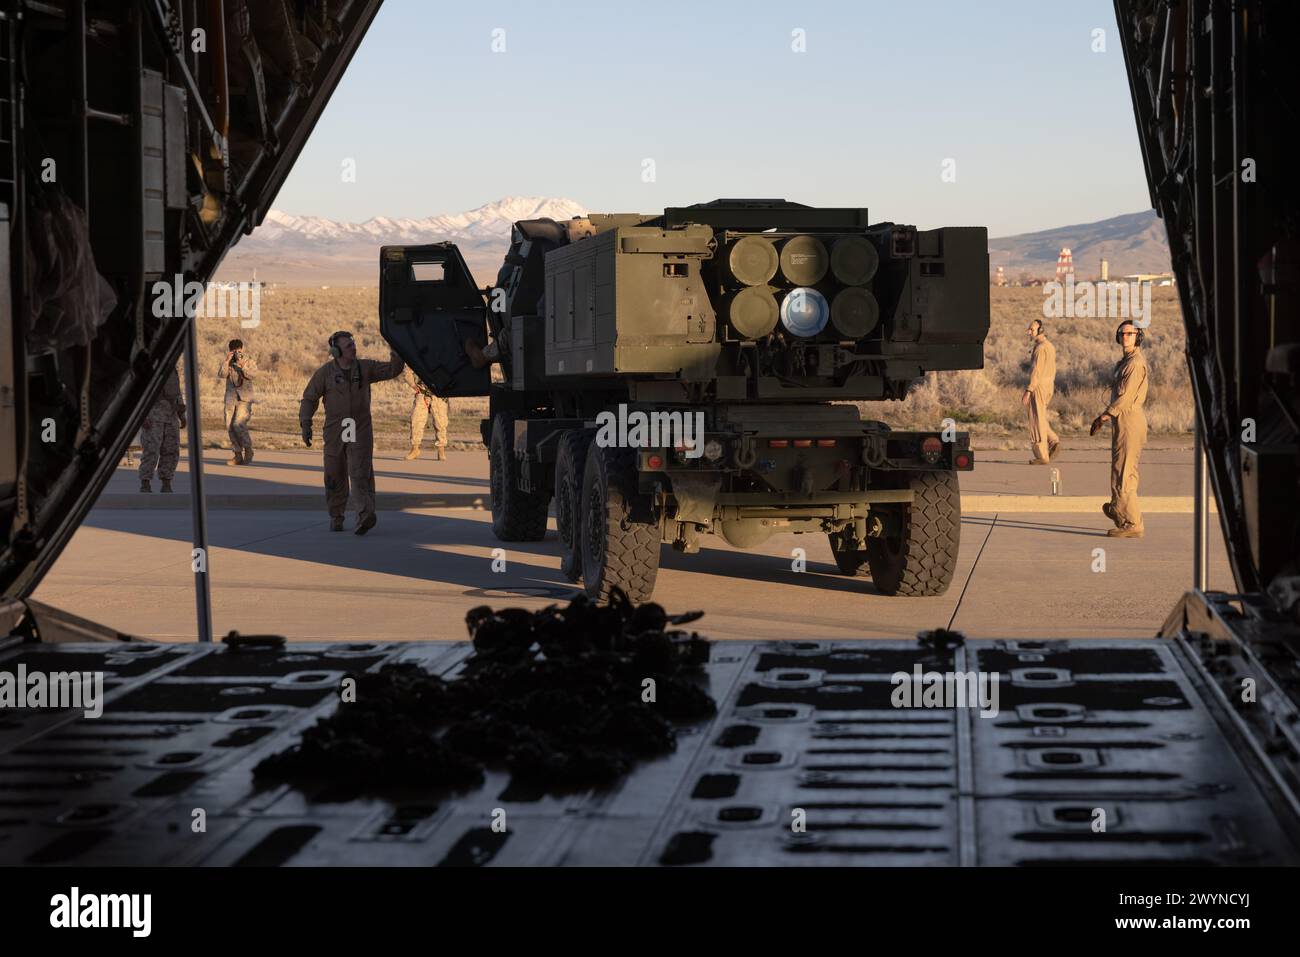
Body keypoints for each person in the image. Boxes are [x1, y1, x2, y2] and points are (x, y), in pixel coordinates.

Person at [299, 331, 405, 535]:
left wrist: (396, 349)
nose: (353, 348)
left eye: (353, 344)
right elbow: (309, 398)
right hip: (335, 430)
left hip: (360, 428)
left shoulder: (365, 368)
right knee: (334, 474)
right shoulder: (325, 373)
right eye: (348, 346)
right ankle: (336, 516)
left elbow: (392, 369)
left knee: (360, 472)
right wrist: (306, 424)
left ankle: (364, 516)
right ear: (336, 351)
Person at [1091, 320, 1150, 539]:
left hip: (1129, 418)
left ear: (1138, 337)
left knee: (1125, 472)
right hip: (1122, 419)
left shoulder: (1135, 363)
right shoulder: (1125, 361)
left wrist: (1105, 415)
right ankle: (1120, 509)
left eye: (1130, 334)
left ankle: (1132, 523)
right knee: (1119, 469)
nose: (1125, 337)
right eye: (1122, 333)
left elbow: (1125, 398)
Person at [139, 365, 185, 493]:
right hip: (153, 415)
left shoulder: (172, 368)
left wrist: (181, 414)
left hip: (171, 415)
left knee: (171, 450)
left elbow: (176, 392)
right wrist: (143, 416)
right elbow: (141, 394)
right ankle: (145, 482)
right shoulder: (150, 367)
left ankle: (166, 482)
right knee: (151, 449)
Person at [1022, 318, 1059, 464]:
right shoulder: (1049, 346)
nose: (1028, 332)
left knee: (1036, 420)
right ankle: (1053, 441)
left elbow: (1036, 372)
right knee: (1041, 416)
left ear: (1040, 330)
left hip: (1039, 387)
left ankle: (1042, 455)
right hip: (1048, 385)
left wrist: (1029, 390)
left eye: (1031, 329)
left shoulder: (1040, 348)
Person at [217, 338, 256, 465]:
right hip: (230, 398)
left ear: (242, 350)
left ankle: (248, 449)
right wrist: (227, 361)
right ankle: (237, 454)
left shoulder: (249, 361)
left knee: (238, 424)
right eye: (234, 352)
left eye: (238, 351)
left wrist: (242, 365)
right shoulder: (228, 363)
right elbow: (221, 375)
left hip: (244, 398)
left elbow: (252, 375)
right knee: (229, 426)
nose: (236, 354)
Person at [402, 366, 448, 461]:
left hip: (439, 394)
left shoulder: (445, 353)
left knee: (440, 422)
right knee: (416, 420)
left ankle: (441, 449)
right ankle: (415, 449)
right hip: (422, 393)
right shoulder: (420, 352)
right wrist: (413, 385)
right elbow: (407, 370)